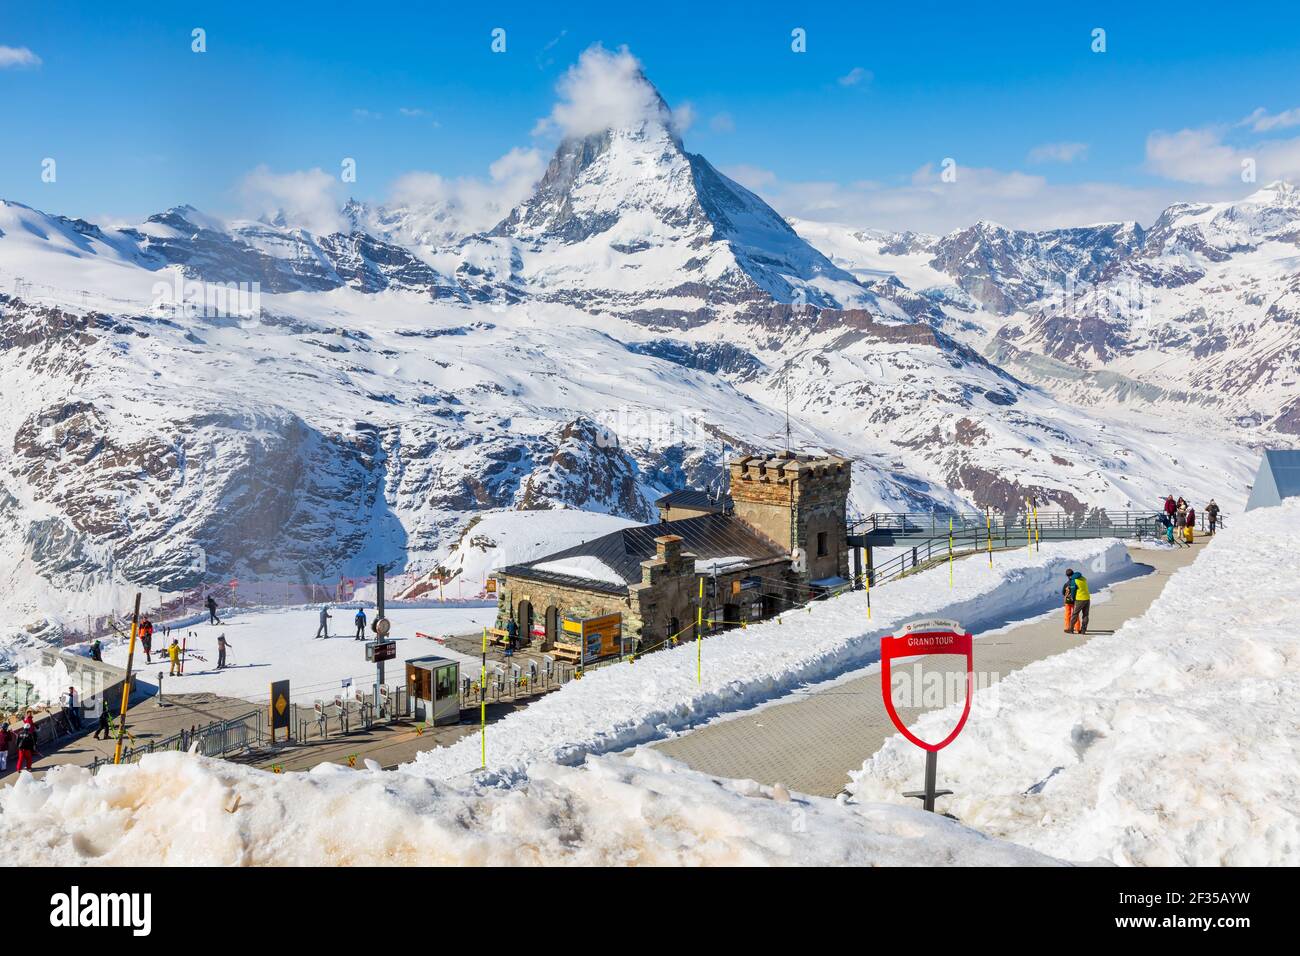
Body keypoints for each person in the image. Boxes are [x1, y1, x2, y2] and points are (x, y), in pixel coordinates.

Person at [1067, 570, 1091, 634]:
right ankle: (1083, 630)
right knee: (1085, 615)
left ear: (1069, 576)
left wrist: (1072, 598)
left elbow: (1073, 591)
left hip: (1080, 599)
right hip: (1087, 598)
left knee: (1075, 614)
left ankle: (1071, 629)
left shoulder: (1074, 580)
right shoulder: (1082, 578)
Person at [1062, 568, 1076, 633]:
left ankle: (1067, 627)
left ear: (1067, 576)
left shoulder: (1066, 584)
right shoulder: (1075, 582)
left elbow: (1063, 592)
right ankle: (1078, 628)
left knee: (1067, 615)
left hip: (1067, 601)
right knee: (1075, 615)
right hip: (1074, 601)